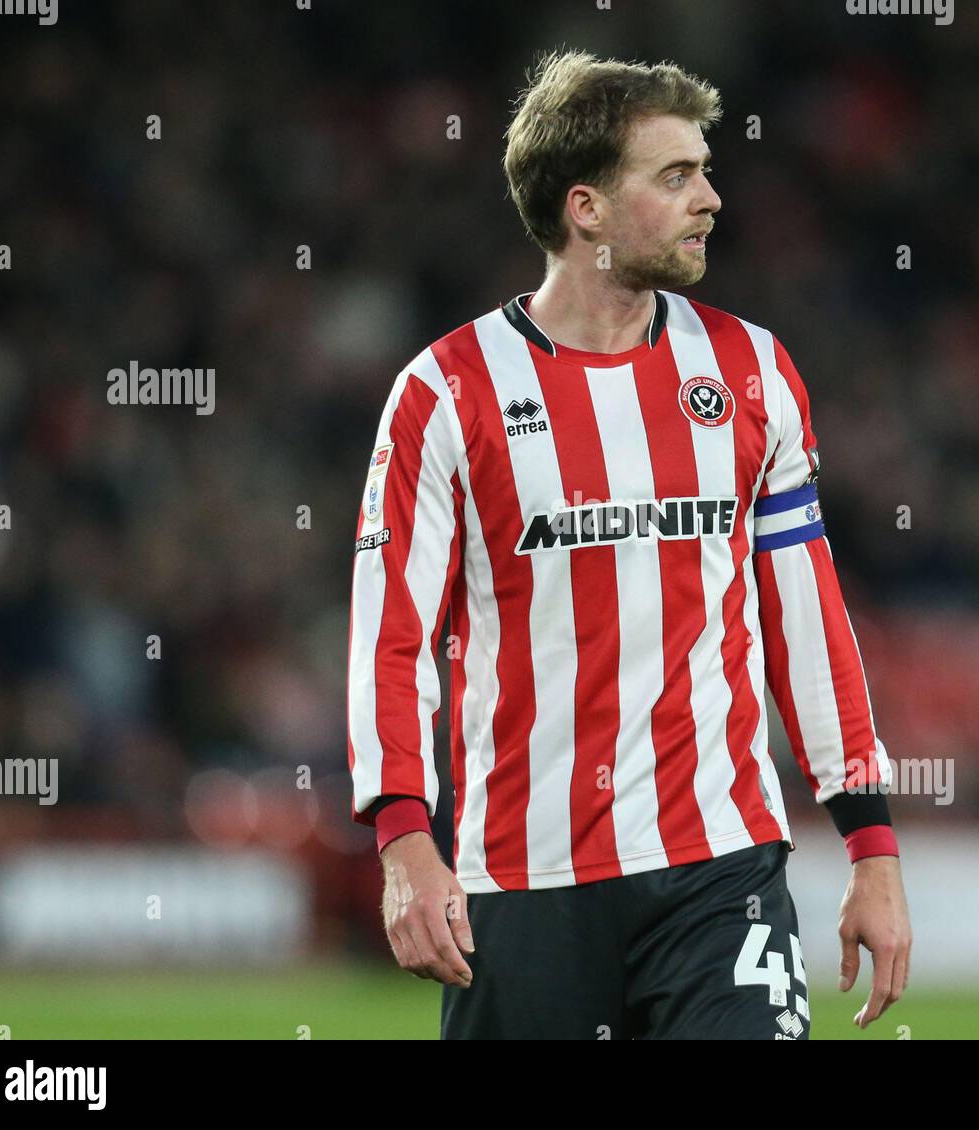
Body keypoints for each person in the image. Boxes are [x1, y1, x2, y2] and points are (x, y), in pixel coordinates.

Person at [347, 49, 911, 1040]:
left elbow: (806, 617)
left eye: (705, 169)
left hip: (719, 868)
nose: (711, 198)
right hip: (522, 881)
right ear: (585, 209)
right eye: (676, 175)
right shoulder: (445, 392)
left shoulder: (750, 371)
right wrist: (403, 837)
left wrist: (870, 843)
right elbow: (391, 638)